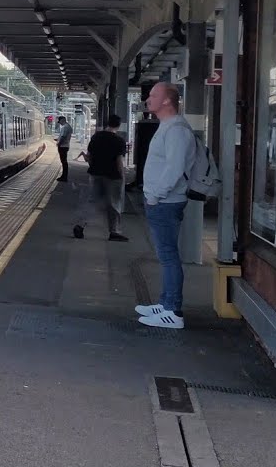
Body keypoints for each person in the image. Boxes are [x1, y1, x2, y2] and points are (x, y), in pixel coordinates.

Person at [136, 83, 197, 329]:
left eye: (153, 95)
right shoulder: (168, 126)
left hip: (165, 202)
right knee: (165, 256)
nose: (147, 98)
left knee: (169, 257)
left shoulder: (177, 130)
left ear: (167, 101)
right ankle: (165, 304)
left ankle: (173, 311)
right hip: (162, 201)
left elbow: (174, 168)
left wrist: (155, 196)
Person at [72, 114, 128, 242]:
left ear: (107, 123)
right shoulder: (119, 141)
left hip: (95, 174)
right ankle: (114, 231)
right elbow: (119, 161)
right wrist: (122, 177)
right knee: (114, 204)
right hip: (113, 176)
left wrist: (93, 167)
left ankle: (80, 225)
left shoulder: (96, 137)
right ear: (118, 126)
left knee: (91, 201)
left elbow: (89, 156)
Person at [55, 116, 73, 181]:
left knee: (64, 162)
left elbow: (63, 137)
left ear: (63, 120)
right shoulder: (68, 126)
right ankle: (64, 176)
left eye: (60, 121)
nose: (60, 123)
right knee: (64, 162)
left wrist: (59, 144)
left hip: (63, 146)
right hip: (65, 146)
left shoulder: (65, 127)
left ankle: (64, 177)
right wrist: (58, 139)